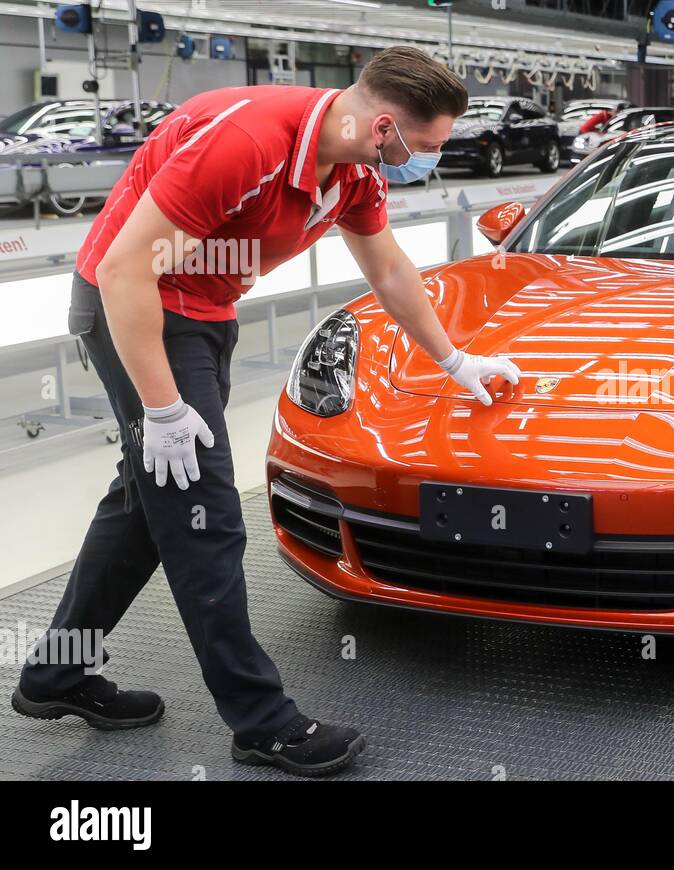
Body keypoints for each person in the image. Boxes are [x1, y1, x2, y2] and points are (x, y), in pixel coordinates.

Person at [11, 47, 520, 776]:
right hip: (135, 306)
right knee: (203, 513)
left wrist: (455, 360)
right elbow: (127, 270)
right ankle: (260, 721)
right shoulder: (247, 143)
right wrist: (160, 406)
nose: (432, 160)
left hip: (205, 310)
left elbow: (389, 269)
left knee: (144, 503)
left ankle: (54, 675)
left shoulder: (351, 172)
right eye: (430, 146)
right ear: (384, 128)